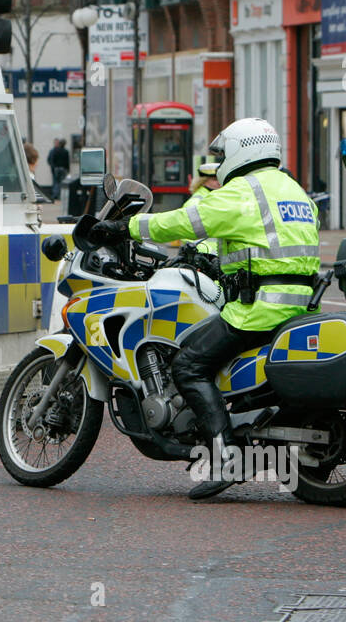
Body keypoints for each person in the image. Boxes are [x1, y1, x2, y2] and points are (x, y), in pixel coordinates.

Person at [91, 118, 320, 500]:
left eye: (223, 153)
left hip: (259, 309)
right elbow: (269, 246)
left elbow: (185, 221)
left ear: (242, 150)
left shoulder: (243, 191)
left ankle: (226, 457)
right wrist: (221, 264)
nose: (220, 162)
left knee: (187, 364)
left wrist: (125, 228)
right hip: (295, 304)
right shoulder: (292, 190)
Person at [47, 137, 70, 205]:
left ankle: (54, 196)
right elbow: (67, 161)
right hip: (63, 168)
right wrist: (68, 169)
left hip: (56, 168)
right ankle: (60, 196)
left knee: (56, 182)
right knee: (62, 183)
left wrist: (53, 167)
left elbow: (51, 160)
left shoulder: (55, 150)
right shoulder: (66, 151)